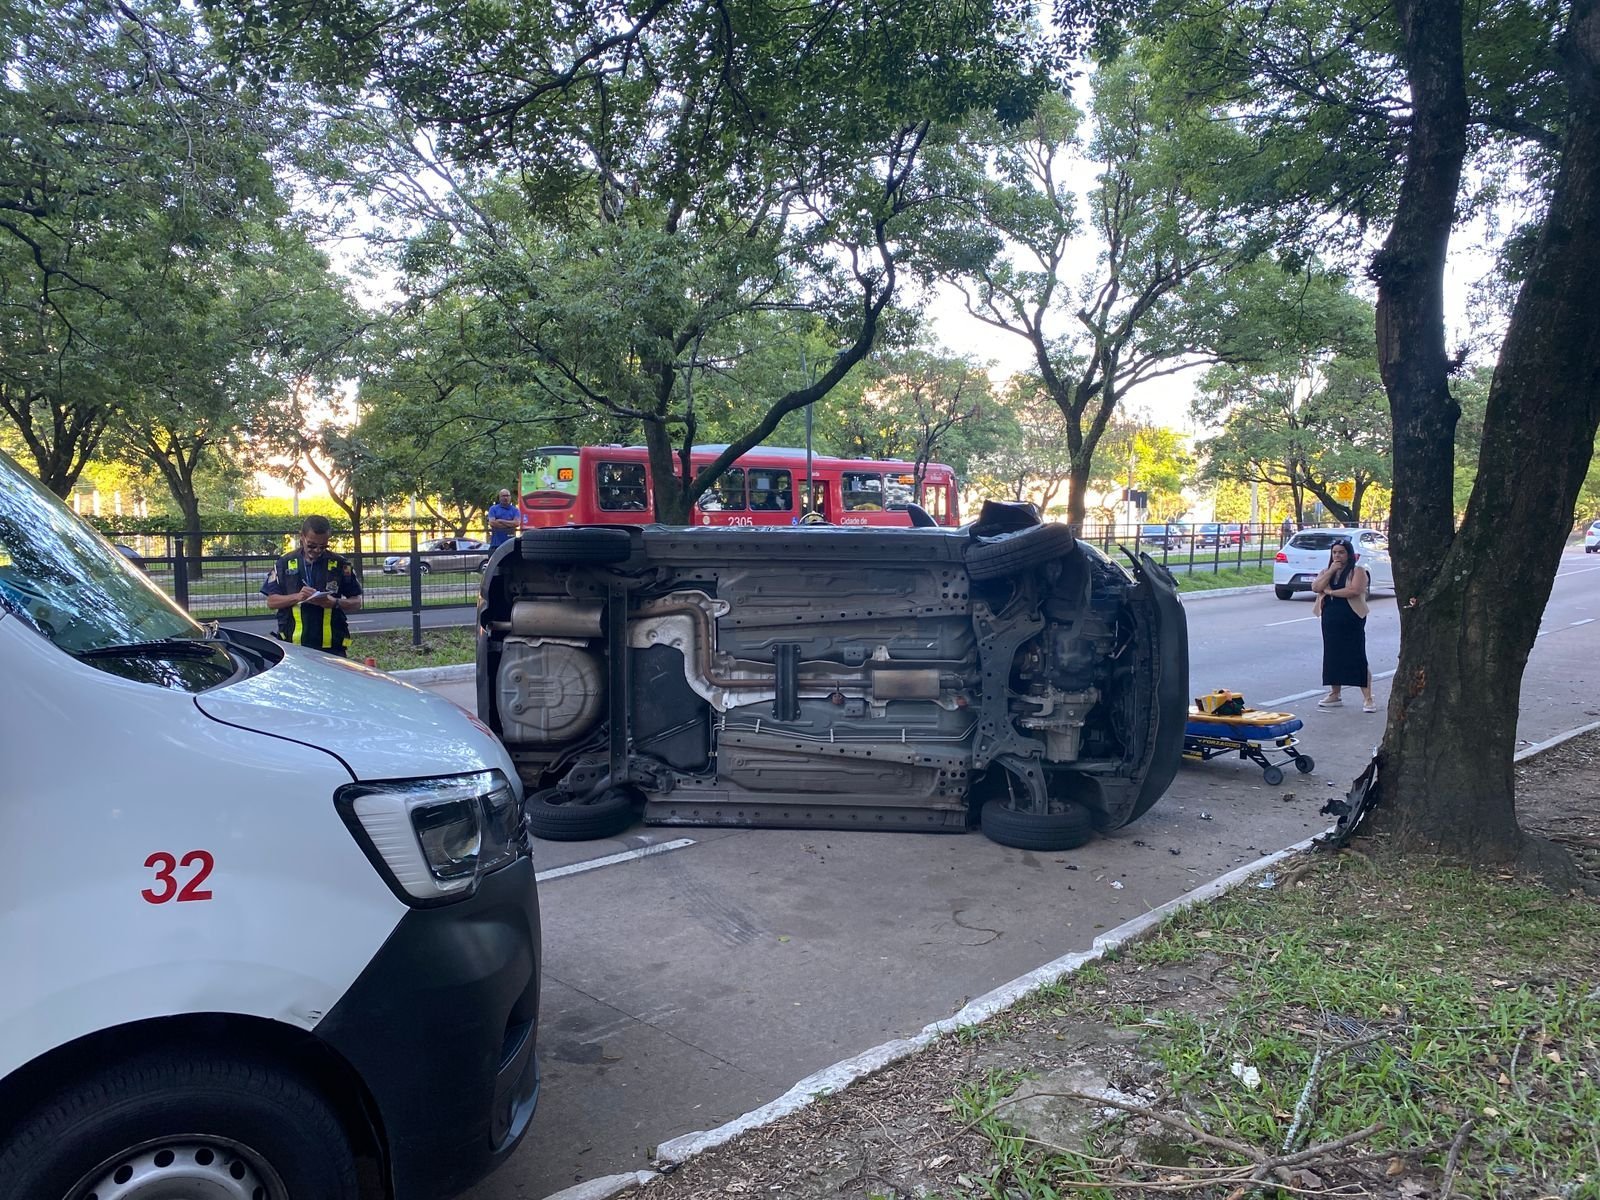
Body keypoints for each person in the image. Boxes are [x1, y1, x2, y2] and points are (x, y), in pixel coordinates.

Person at [261, 515, 364, 656]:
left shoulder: (340, 564)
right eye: (312, 545)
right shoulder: (284, 563)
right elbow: (272, 602)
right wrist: (298, 597)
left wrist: (334, 602)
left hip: (332, 648)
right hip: (294, 647)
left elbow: (357, 602)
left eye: (323, 546)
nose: (317, 550)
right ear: (301, 537)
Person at [1311, 536, 1374, 712]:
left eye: (1341, 552)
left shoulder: (1357, 571)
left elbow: (1354, 590)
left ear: (1349, 554)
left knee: (1357, 655)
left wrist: (1330, 591)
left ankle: (1368, 697)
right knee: (1332, 654)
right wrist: (1331, 571)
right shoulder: (1327, 571)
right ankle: (1335, 693)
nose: (1338, 556)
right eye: (1335, 553)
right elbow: (1316, 587)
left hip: (1352, 616)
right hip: (1331, 616)